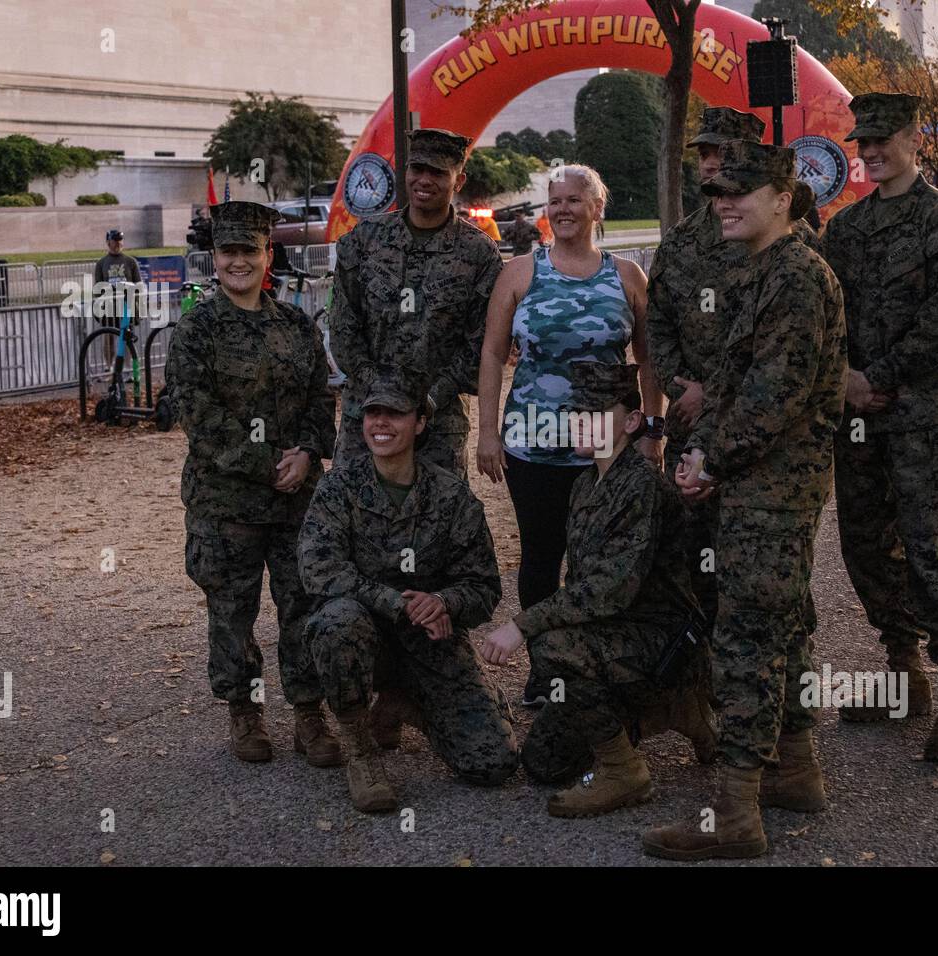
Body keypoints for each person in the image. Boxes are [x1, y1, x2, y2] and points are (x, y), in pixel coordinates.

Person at [642, 141, 847, 861]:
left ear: (784, 199)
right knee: (783, 632)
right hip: (760, 485)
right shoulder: (770, 270)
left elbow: (773, 397)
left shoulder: (794, 276)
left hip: (772, 492)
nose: (724, 203)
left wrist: (710, 460)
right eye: (719, 191)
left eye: (742, 192)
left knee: (747, 644)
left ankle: (735, 813)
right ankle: (796, 771)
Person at [820, 92, 938, 762]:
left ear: (913, 138)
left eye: (883, 139)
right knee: (864, 547)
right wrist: (846, 380)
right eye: (864, 141)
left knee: (931, 548)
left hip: (917, 417)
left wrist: (877, 377)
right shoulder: (845, 230)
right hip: (855, 417)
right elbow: (826, 318)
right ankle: (903, 671)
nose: (871, 151)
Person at [480, 361, 715, 816]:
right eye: (575, 414)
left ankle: (624, 770)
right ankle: (675, 713)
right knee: (544, 762)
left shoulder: (641, 485)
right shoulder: (586, 484)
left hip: (662, 640)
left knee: (552, 646)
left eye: (595, 413)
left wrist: (522, 625)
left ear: (630, 422)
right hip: (615, 639)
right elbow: (584, 587)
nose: (581, 423)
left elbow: (609, 590)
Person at [476, 164, 663, 708]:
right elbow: (491, 352)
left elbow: (648, 359)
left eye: (574, 200)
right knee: (540, 556)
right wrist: (488, 432)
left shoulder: (627, 277)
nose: (562, 210)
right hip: (534, 441)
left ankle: (594, 666)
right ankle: (546, 669)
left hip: (604, 449)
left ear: (596, 208)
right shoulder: (520, 272)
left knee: (597, 560)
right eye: (554, 201)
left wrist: (653, 428)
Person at [164, 200, 340, 766]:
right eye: (229, 251)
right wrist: (271, 464)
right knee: (232, 614)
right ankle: (245, 711)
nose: (239, 261)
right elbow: (200, 416)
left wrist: (310, 452)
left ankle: (309, 715)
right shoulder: (196, 331)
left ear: (270, 256)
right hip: (228, 503)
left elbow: (321, 396)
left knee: (303, 610)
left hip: (296, 503)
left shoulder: (295, 326)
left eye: (250, 251)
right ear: (215, 258)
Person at [298, 365, 518, 812]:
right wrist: (396, 604)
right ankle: (360, 749)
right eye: (372, 413)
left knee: (492, 763)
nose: (381, 423)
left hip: (431, 639)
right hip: (366, 637)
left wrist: (443, 602)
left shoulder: (451, 497)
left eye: (395, 414)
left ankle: (404, 701)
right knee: (335, 622)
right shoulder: (338, 487)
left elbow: (483, 586)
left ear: (420, 422)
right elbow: (318, 570)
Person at [645, 106, 765, 629]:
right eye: (705, 153)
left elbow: (785, 348)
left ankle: (782, 697)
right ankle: (705, 684)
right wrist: (680, 387)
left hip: (756, 430)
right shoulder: (679, 241)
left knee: (763, 571)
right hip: (690, 428)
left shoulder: (780, 239)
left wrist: (709, 393)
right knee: (694, 557)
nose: (711, 164)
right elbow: (657, 326)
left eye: (723, 152)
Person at [328, 128, 503, 478]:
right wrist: (383, 398)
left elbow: (480, 346)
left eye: (437, 172)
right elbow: (343, 329)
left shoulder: (478, 253)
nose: (424, 180)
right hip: (366, 415)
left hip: (438, 423)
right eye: (417, 169)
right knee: (354, 518)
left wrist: (429, 401)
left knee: (439, 524)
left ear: (458, 180)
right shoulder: (364, 242)